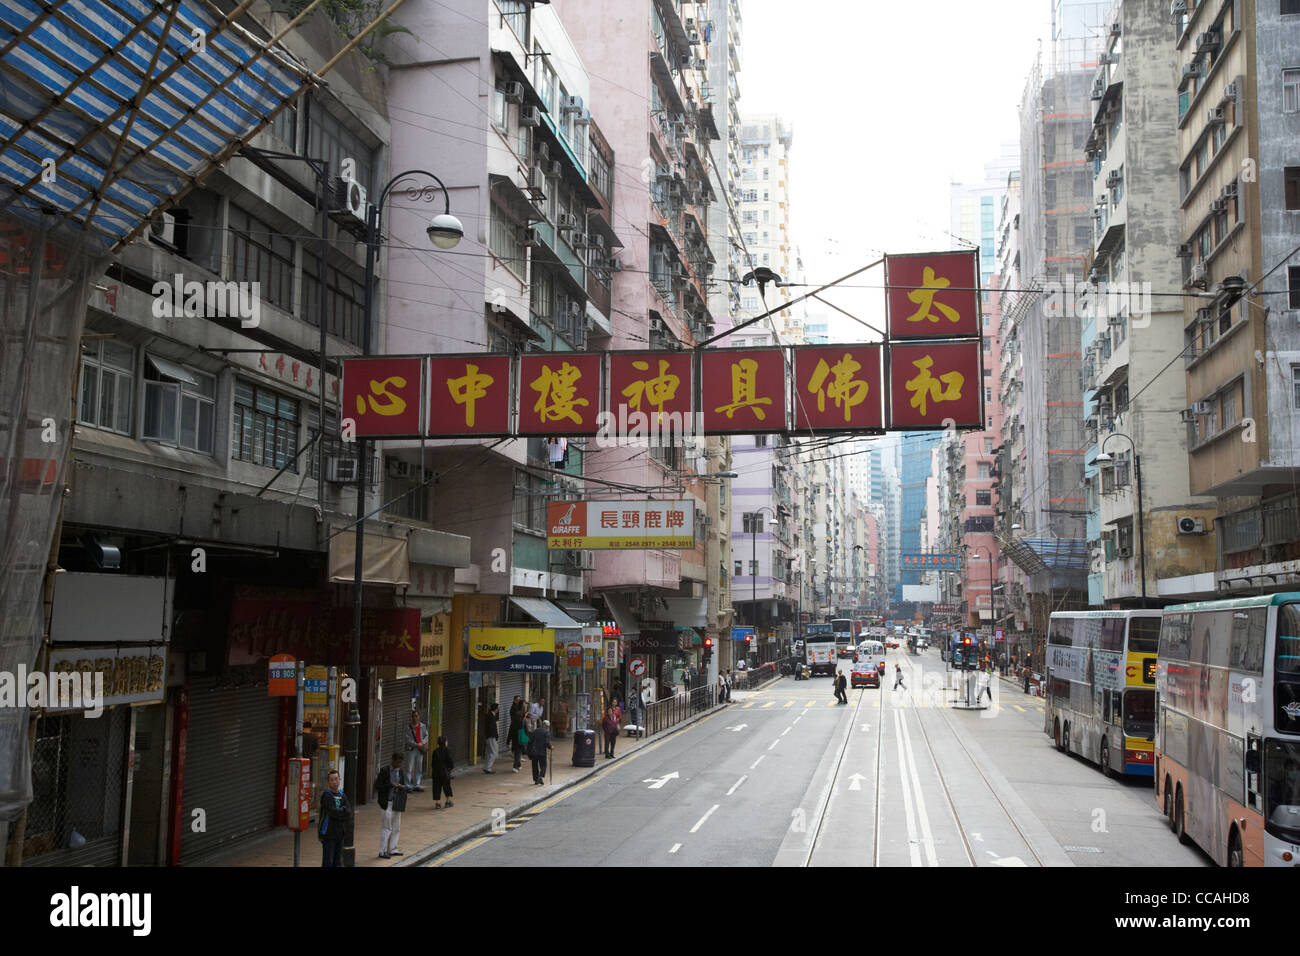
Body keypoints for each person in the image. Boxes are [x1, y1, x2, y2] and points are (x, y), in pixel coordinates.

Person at [375, 751, 409, 859]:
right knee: (387, 827)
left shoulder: (401, 772)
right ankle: (382, 851)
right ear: (393, 760)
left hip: (397, 803)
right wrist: (391, 785)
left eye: (401, 763)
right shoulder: (385, 771)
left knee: (396, 827)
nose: (399, 765)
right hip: (387, 802)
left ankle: (393, 849)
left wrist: (402, 787)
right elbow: (378, 785)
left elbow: (404, 785)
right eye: (398, 762)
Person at [317, 769, 350, 867]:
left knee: (337, 862)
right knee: (328, 862)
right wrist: (342, 810)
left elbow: (348, 811)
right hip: (328, 834)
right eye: (332, 780)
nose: (334, 782)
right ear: (328, 782)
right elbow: (333, 812)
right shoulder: (326, 796)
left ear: (340, 779)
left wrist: (341, 811)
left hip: (340, 833)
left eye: (336, 779)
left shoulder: (342, 795)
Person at [405, 708, 427, 792]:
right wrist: (416, 744)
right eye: (413, 716)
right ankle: (407, 785)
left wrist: (422, 743)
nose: (415, 718)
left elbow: (426, 736)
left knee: (418, 767)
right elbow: (408, 739)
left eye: (416, 716)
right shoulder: (408, 727)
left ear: (419, 717)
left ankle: (416, 785)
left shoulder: (423, 726)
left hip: (420, 749)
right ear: (411, 717)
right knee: (409, 767)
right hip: (411, 749)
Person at [430, 735, 454, 809]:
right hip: (445, 772)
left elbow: (432, 763)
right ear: (445, 742)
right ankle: (448, 802)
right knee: (447, 786)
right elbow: (450, 761)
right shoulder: (447, 750)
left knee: (436, 787)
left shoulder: (435, 751)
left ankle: (437, 803)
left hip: (436, 773)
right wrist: (450, 768)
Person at [529, 719, 554, 785]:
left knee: (534, 766)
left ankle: (536, 779)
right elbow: (547, 743)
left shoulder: (535, 731)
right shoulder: (546, 732)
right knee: (543, 765)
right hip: (542, 752)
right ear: (547, 726)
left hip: (534, 752)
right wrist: (551, 747)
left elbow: (530, 741)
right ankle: (540, 776)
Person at [508, 695, 526, 773]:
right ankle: (515, 766)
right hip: (519, 737)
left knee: (518, 751)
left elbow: (511, 729)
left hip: (517, 737)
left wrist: (508, 740)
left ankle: (518, 765)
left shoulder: (517, 717)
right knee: (517, 752)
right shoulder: (520, 717)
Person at [481, 702, 500, 773]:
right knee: (494, 753)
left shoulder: (489, 715)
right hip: (491, 737)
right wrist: (495, 736)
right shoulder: (491, 717)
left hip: (488, 736)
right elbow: (492, 728)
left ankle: (487, 767)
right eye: (498, 708)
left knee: (489, 752)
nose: (498, 710)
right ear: (495, 709)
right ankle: (488, 768)